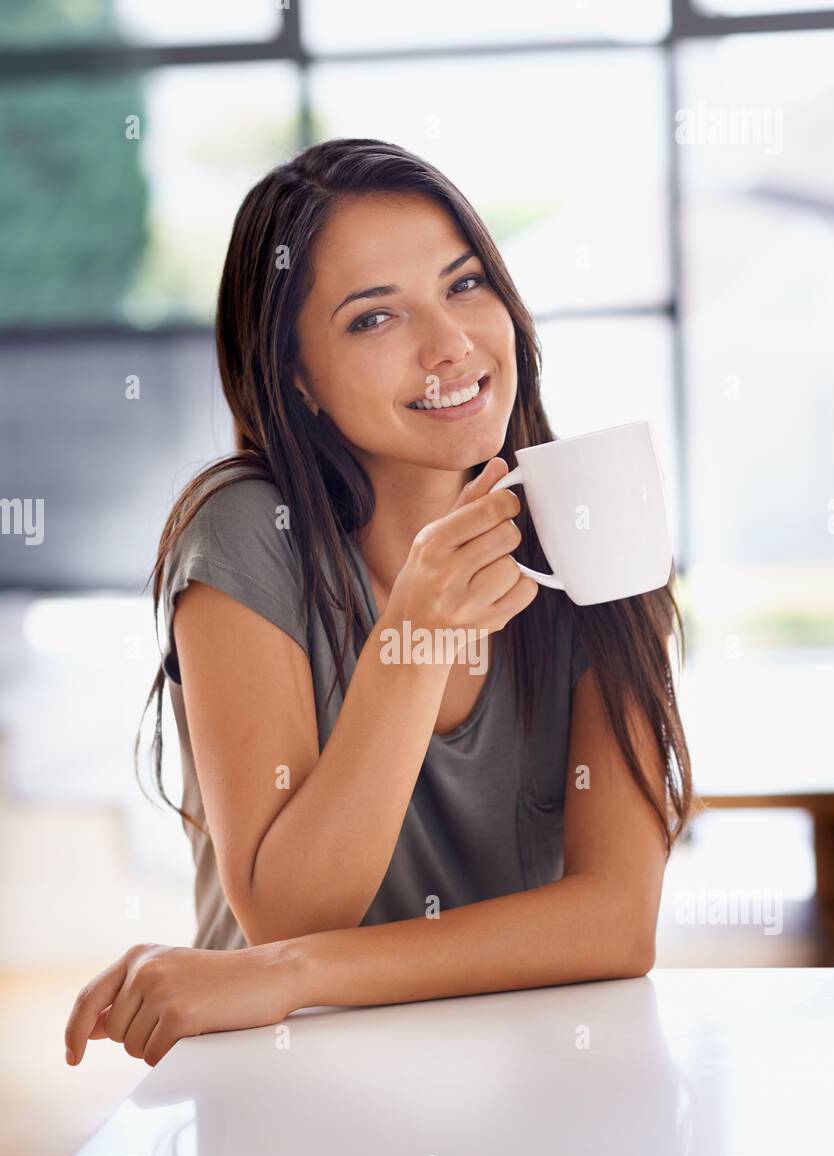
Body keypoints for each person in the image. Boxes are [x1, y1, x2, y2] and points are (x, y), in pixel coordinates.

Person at [65, 138, 692, 1070]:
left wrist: (295, 973)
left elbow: (613, 924)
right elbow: (289, 912)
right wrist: (412, 640)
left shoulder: (588, 527)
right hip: (285, 1077)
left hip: (518, 1073)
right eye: (372, 320)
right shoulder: (246, 533)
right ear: (296, 379)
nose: (449, 346)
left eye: (465, 285)